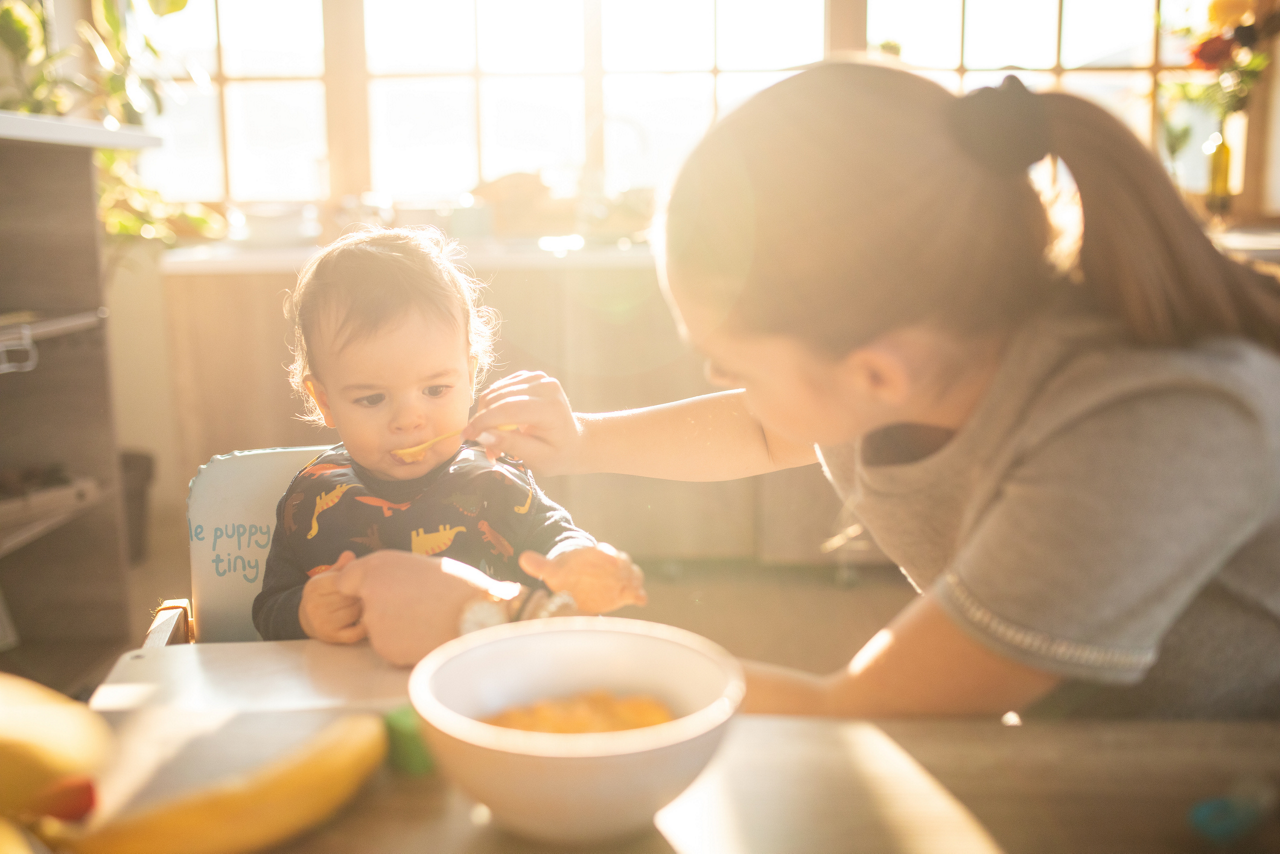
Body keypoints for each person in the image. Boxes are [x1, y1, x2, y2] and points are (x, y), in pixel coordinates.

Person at [453, 64, 1280, 719]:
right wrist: (586, 441)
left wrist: (504, 641)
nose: (720, 379)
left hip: (1221, 783)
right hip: (1089, 745)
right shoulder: (905, 349)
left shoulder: (1146, 433)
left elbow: (853, 706)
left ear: (878, 373)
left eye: (733, 362)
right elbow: (767, 427)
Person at [251, 228, 646, 658]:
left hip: (490, 689)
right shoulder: (310, 497)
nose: (409, 420)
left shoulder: (495, 477)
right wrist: (304, 613)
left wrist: (575, 559)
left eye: (436, 390)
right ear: (324, 401)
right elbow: (268, 612)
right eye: (372, 398)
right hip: (354, 698)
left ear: (470, 378)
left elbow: (556, 537)